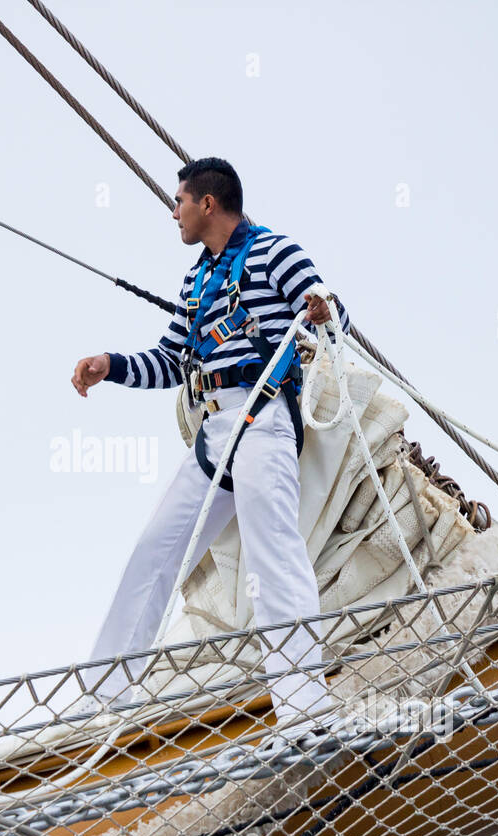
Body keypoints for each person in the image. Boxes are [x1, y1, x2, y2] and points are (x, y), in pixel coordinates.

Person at [71, 157, 348, 725]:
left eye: (178, 201)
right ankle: (103, 699)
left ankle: (303, 706)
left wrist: (321, 308)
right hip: (214, 428)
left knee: (272, 549)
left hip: (263, 416)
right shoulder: (196, 281)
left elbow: (335, 315)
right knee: (156, 547)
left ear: (207, 204)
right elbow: (172, 359)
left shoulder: (276, 252)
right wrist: (111, 364)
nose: (173, 213)